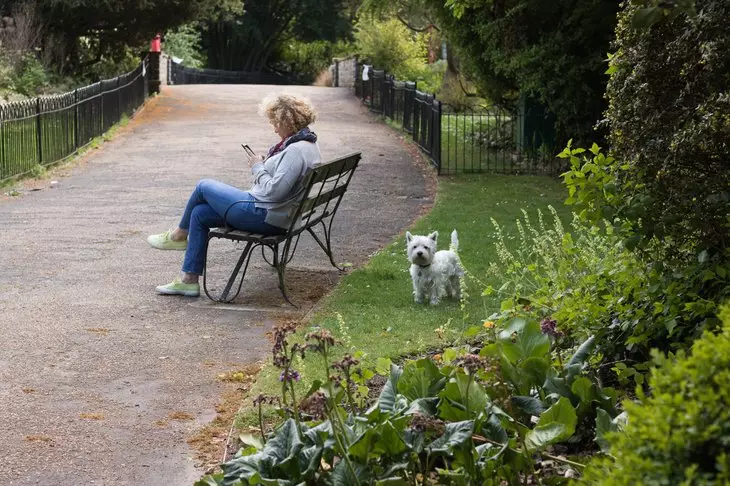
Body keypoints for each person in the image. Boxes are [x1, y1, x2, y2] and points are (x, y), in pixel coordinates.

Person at [146, 93, 321, 297]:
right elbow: (282, 181)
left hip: (265, 215)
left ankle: (178, 235)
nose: (274, 128)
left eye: (276, 123)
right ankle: (188, 280)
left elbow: (274, 191)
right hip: (277, 213)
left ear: (287, 121)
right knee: (200, 213)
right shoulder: (306, 144)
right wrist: (266, 164)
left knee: (203, 186)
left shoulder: (295, 151)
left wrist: (258, 167)